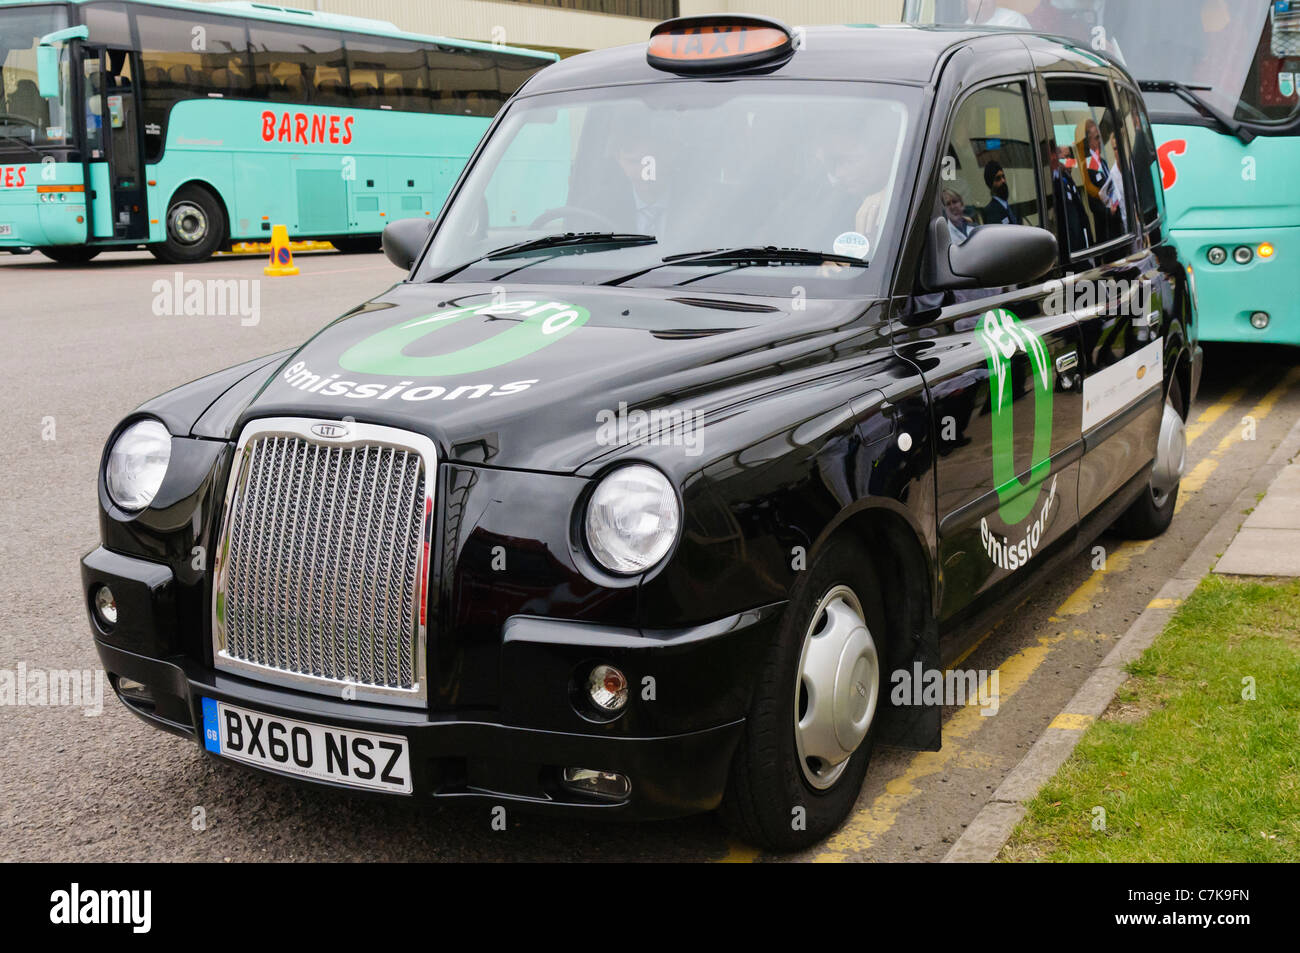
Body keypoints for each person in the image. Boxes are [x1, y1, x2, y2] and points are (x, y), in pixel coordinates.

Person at [1076, 118, 1123, 243]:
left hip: (1117, 224)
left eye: (1100, 137)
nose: (1100, 141)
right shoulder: (1087, 167)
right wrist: (1109, 211)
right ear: (1089, 142)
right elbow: (1093, 203)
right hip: (1106, 231)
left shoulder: (1103, 162)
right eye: (1097, 138)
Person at [1049, 140, 1091, 254]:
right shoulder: (1056, 183)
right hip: (1071, 255)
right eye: (1066, 157)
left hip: (1081, 250)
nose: (1071, 161)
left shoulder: (1068, 180)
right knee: (1070, 273)